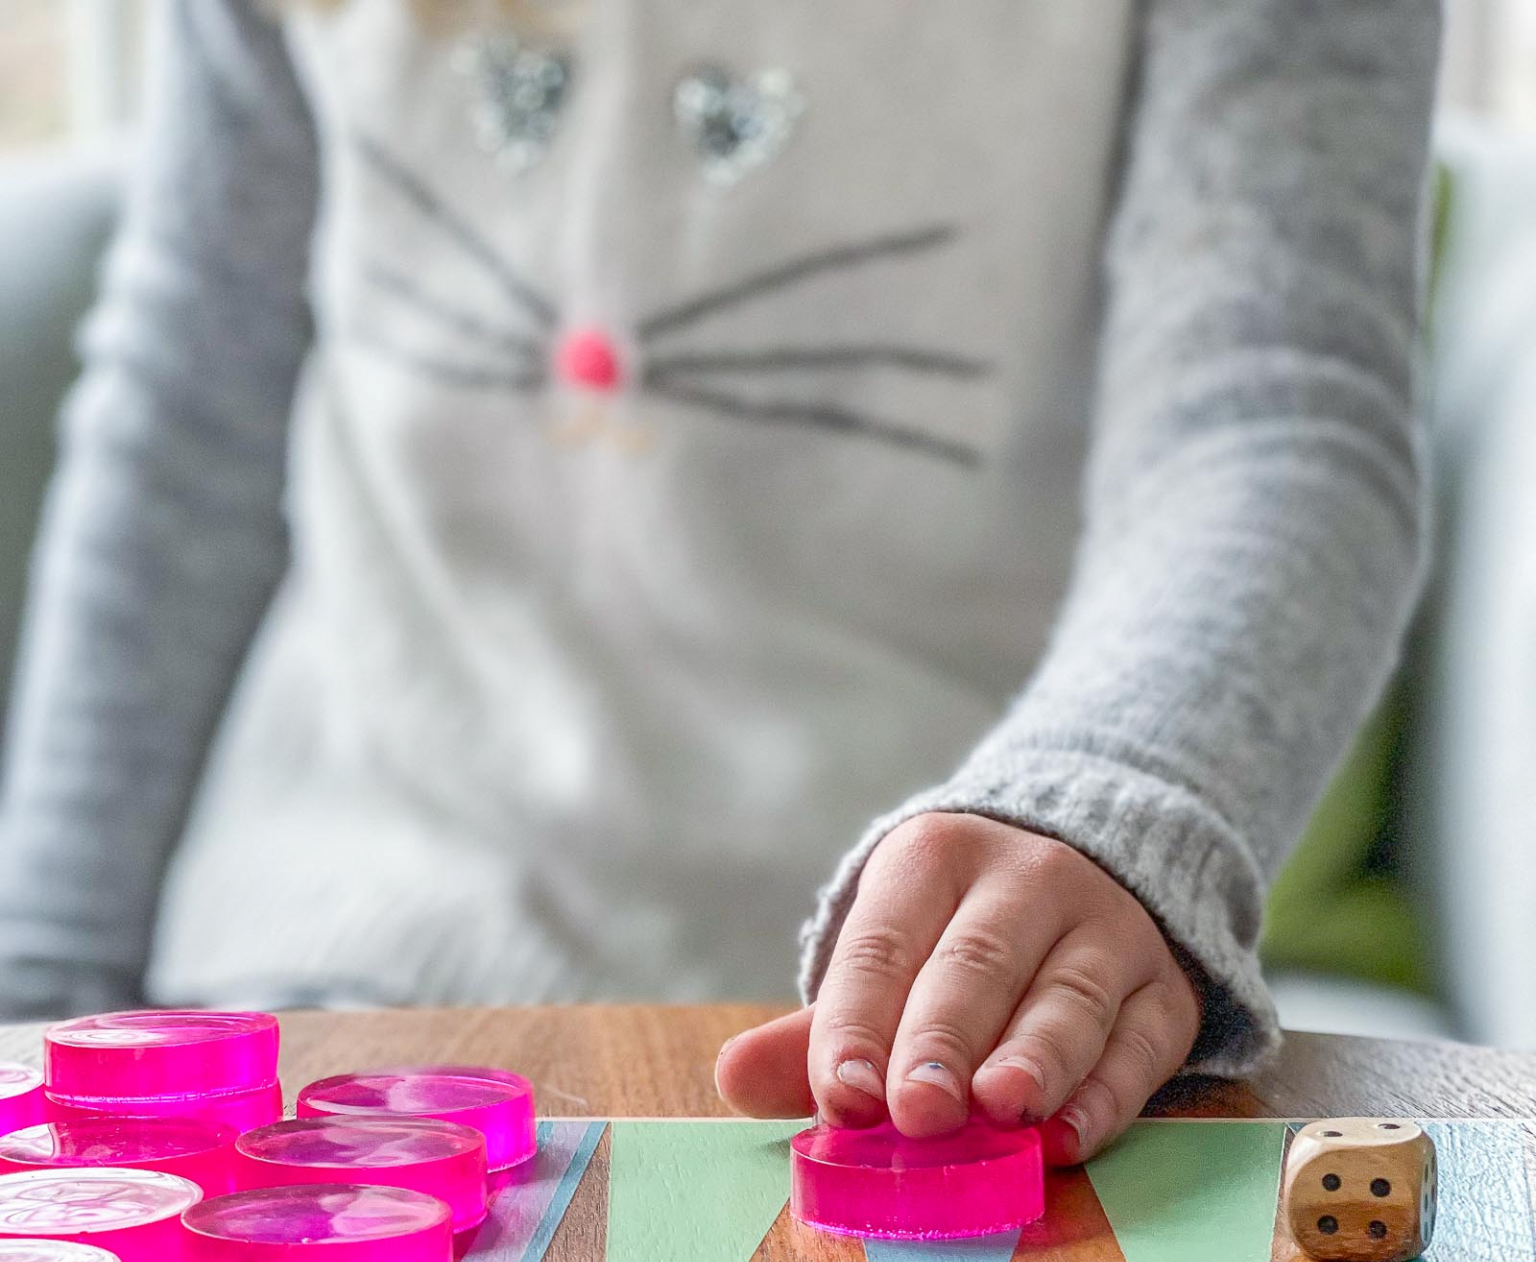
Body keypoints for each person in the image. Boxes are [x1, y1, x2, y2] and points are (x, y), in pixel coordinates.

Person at [0, 0, 1440, 1161]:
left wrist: (1117, 801)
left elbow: (1275, 405)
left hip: (903, 1039)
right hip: (303, 971)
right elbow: (195, 404)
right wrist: (40, 987)